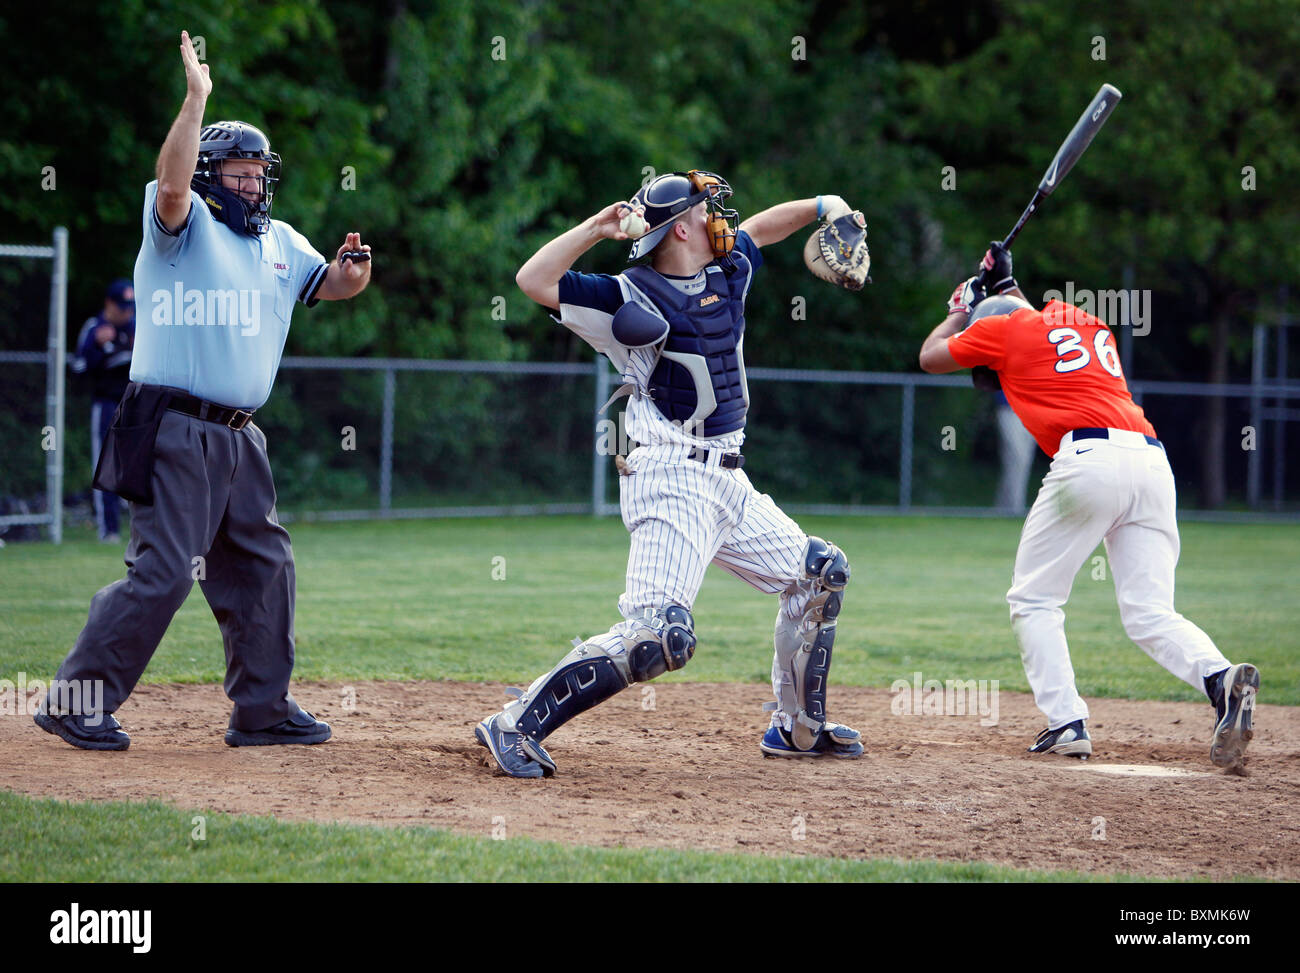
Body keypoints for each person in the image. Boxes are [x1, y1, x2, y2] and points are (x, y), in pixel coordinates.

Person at [35, 31, 373, 752]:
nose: (251, 185)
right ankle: (74, 699)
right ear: (213, 176)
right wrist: (196, 100)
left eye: (259, 174)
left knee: (263, 566)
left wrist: (353, 270)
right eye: (239, 173)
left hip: (240, 434)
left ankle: (261, 707)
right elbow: (172, 184)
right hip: (173, 423)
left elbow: (333, 286)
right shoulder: (181, 231)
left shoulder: (282, 240)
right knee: (163, 572)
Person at [476, 170, 865, 778]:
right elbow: (533, 281)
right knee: (659, 638)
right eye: (708, 209)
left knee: (820, 575)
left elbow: (763, 227)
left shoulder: (727, 271)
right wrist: (594, 230)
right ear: (681, 226)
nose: (721, 219)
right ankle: (514, 723)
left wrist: (826, 202)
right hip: (670, 476)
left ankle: (797, 730)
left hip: (729, 480)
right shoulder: (626, 296)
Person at [918, 243, 1260, 769]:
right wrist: (1004, 282)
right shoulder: (1081, 321)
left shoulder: (998, 330)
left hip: (1088, 463)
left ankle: (1067, 723)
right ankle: (1220, 679)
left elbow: (929, 356)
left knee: (1034, 599)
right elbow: (1027, 314)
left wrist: (959, 310)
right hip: (1150, 462)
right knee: (1149, 611)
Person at [72, 279, 136, 542]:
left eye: (130, 306)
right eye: (123, 307)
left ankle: (141, 530)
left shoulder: (136, 326)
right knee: (105, 466)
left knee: (137, 465)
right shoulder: (95, 328)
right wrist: (99, 347)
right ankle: (108, 530)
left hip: (136, 404)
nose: (128, 312)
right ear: (109, 304)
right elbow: (78, 369)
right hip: (106, 405)